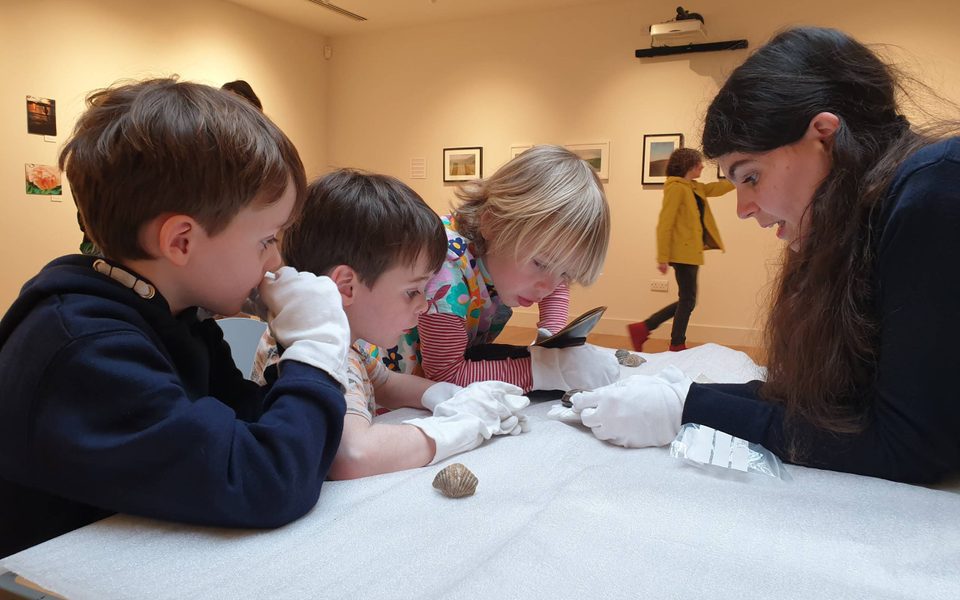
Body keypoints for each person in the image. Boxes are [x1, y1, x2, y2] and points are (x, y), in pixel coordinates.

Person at [569, 26, 960, 484]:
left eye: (750, 177)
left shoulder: (935, 191)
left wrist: (689, 407)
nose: (743, 209)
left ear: (825, 137)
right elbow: (841, 406)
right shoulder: (869, 217)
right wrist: (688, 392)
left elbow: (908, 448)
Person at [0, 78, 350, 557]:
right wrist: (316, 348)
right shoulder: (85, 349)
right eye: (267, 240)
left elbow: (257, 426)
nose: (275, 261)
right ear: (181, 241)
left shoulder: (174, 317)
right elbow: (267, 482)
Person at [252, 169, 531, 479]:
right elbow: (354, 456)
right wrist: (463, 427)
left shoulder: (343, 341)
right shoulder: (314, 352)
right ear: (346, 287)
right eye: (412, 291)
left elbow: (387, 384)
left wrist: (458, 396)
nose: (424, 305)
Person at [376, 144, 619, 393]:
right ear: (491, 224)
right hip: (391, 389)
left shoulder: (511, 259)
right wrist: (548, 370)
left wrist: (551, 335)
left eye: (565, 273)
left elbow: (555, 283)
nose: (548, 287)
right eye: (540, 263)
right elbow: (445, 374)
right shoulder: (445, 269)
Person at [627, 148, 734, 352]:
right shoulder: (676, 188)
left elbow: (717, 189)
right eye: (698, 163)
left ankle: (644, 329)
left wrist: (738, 180)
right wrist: (662, 257)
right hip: (682, 253)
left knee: (687, 299)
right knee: (688, 300)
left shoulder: (694, 187)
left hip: (691, 253)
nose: (702, 166)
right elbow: (665, 223)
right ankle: (675, 343)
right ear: (688, 166)